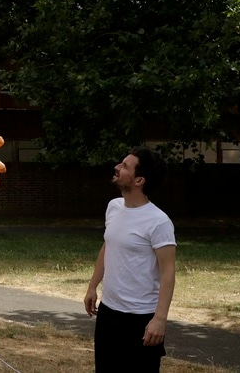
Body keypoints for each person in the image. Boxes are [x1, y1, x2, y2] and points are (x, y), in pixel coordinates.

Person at [84, 146, 176, 372]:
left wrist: (159, 319)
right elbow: (108, 246)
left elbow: (168, 272)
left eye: (125, 166)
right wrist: (93, 285)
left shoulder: (159, 222)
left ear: (139, 181)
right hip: (109, 313)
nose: (117, 167)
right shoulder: (113, 208)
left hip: (141, 319)